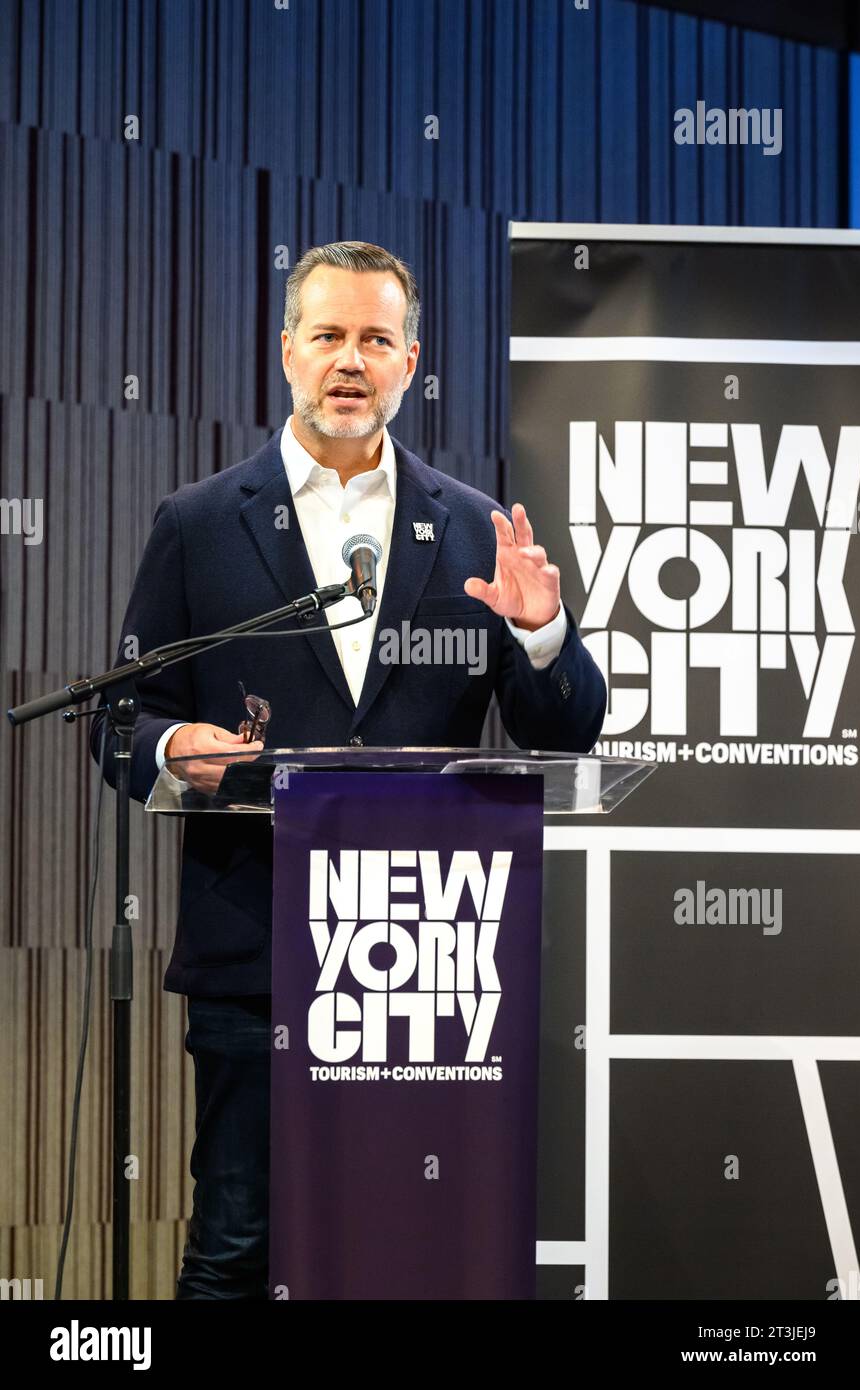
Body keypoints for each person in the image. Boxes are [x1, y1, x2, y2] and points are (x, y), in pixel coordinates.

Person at [90, 241, 607, 1299]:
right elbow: (119, 716)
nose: (349, 360)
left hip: (427, 965)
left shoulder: (471, 527)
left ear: (410, 362)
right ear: (287, 351)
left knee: (414, 1249)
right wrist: (167, 749)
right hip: (259, 954)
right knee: (236, 1250)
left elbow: (564, 735)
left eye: (375, 338)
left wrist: (545, 630)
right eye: (327, 335)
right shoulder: (198, 524)